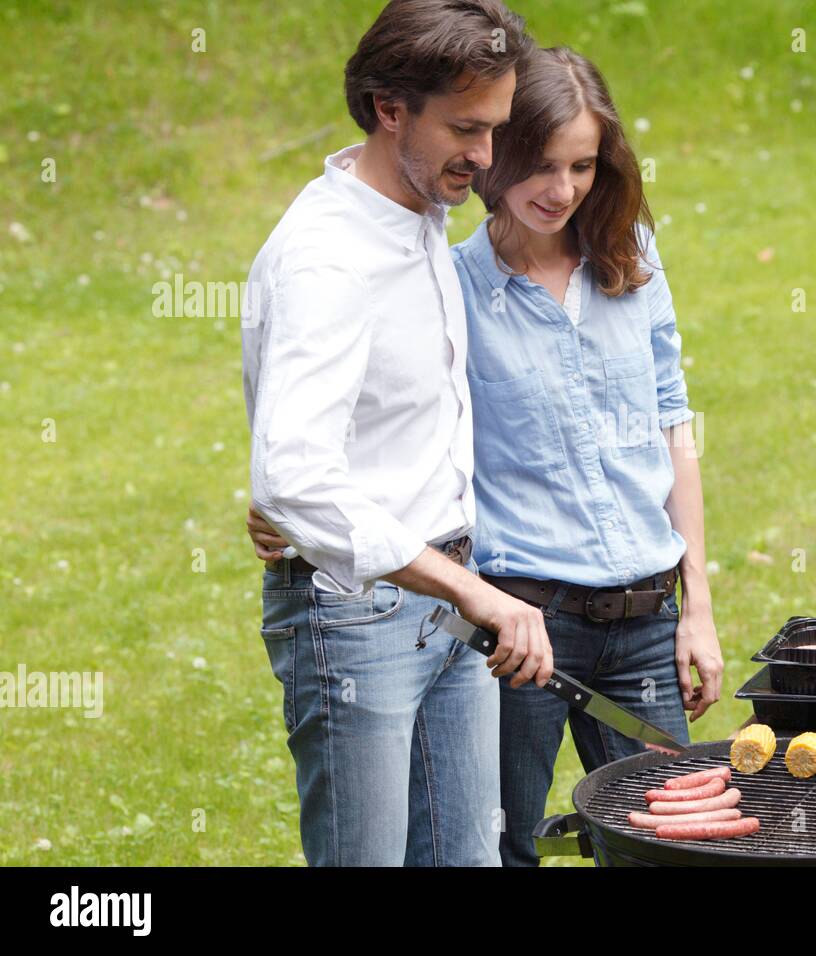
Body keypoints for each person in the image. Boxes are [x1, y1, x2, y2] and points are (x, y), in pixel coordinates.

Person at [240, 0, 553, 867]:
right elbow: (293, 474)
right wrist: (476, 595)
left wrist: (463, 588)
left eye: (493, 128)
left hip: (446, 595)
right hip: (354, 618)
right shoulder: (327, 258)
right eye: (465, 129)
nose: (485, 157)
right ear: (389, 108)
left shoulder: (418, 208)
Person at [453, 46, 724, 866]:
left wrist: (698, 607)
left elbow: (674, 423)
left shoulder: (630, 254)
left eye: (581, 166)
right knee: (504, 846)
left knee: (674, 847)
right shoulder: (454, 285)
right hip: (523, 627)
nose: (561, 190)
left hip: (646, 618)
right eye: (539, 164)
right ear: (494, 149)